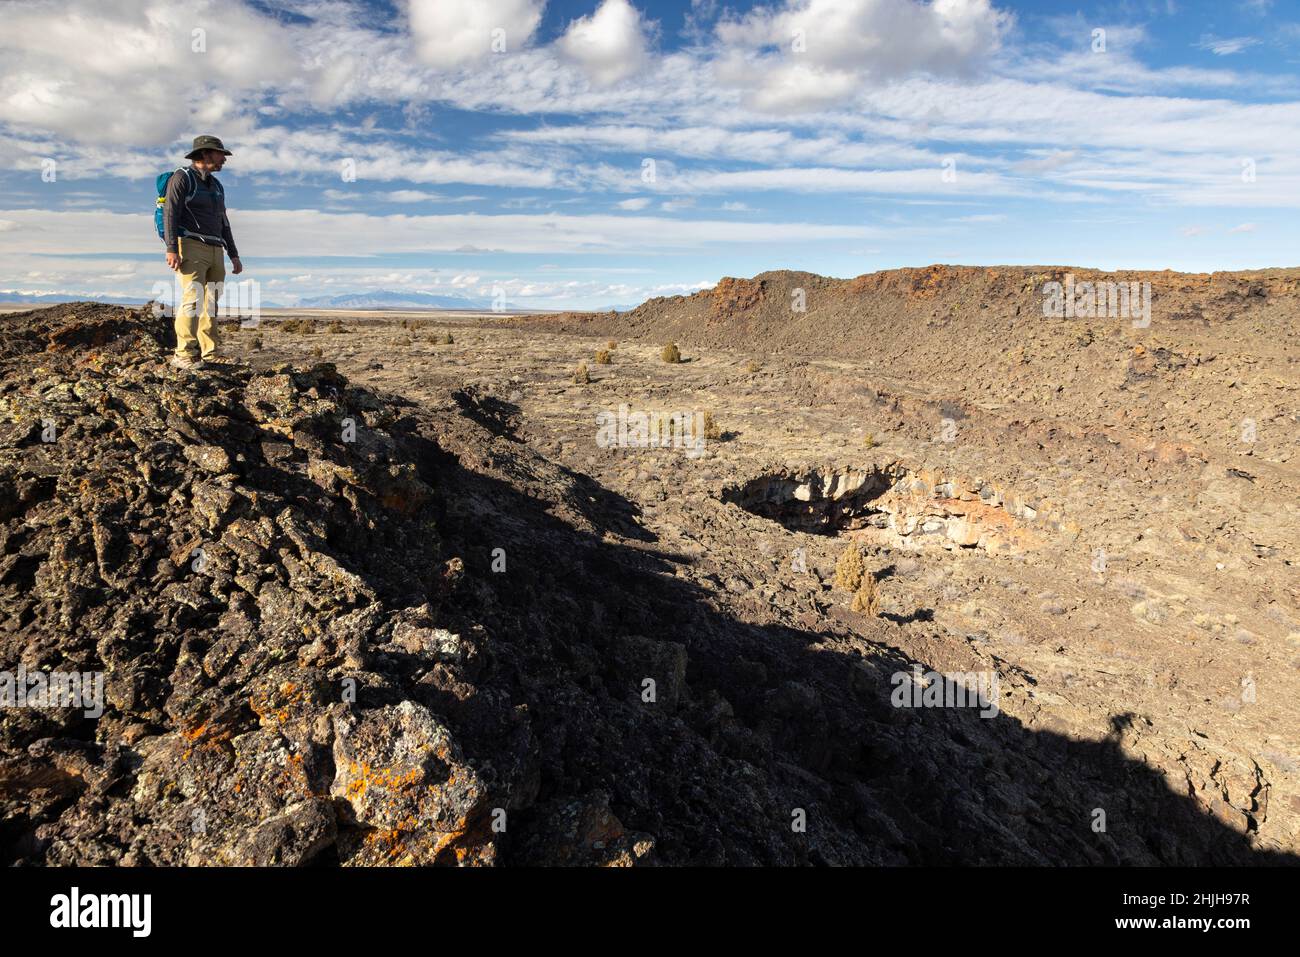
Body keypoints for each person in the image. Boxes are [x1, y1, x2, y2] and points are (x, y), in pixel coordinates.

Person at [162, 134, 243, 369]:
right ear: (206, 153)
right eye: (221, 154)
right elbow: (170, 213)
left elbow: (223, 220)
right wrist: (171, 248)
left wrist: (233, 253)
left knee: (211, 303)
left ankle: (210, 352)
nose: (224, 159)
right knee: (193, 299)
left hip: (216, 247)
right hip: (190, 245)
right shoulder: (182, 178)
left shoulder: (217, 185)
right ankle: (183, 354)